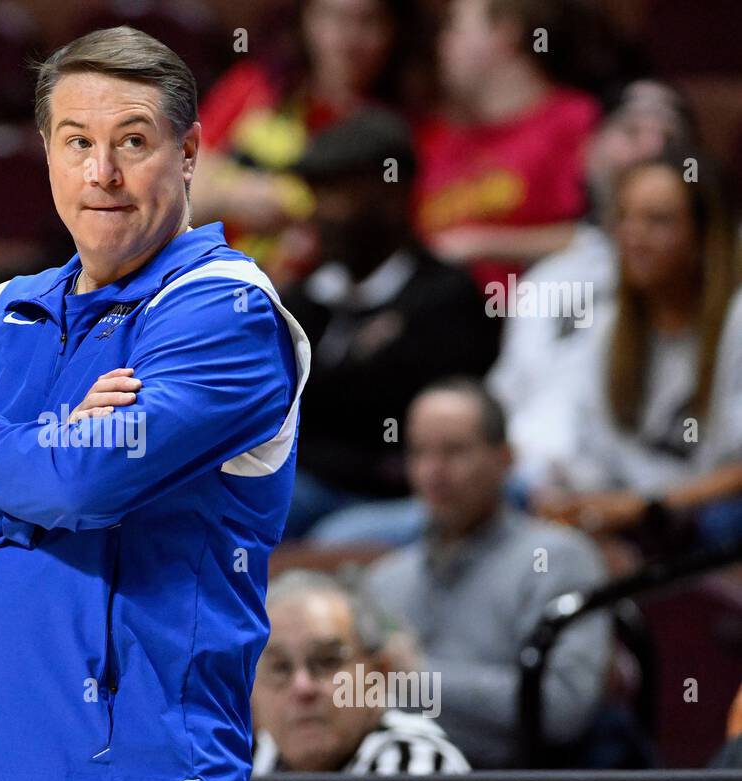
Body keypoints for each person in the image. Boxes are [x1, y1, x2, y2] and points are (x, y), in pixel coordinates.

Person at [0, 27, 311, 781]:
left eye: (132, 142)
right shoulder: (2, 311)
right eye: (77, 143)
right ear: (46, 154)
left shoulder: (225, 310)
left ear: (188, 154)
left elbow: (87, 486)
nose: (100, 174)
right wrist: (50, 439)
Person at [362, 379, 611, 768]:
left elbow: (564, 710)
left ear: (505, 458)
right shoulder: (386, 579)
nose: (433, 472)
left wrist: (418, 677)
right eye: (419, 452)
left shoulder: (558, 558)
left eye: (454, 451)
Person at [276, 108, 497, 542]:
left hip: (396, 498)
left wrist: (332, 386)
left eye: (339, 194)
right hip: (302, 486)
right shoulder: (301, 299)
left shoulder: (445, 298)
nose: (321, 214)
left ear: (393, 196)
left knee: (322, 532)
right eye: (316, 194)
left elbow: (399, 420)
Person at [488, 80, 696, 492]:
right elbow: (506, 394)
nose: (651, 149)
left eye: (669, 138)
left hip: (639, 492)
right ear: (589, 151)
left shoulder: (712, 282)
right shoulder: (550, 277)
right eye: (632, 132)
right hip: (516, 480)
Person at [533, 153, 742, 548]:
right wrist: (571, 501)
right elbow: (592, 455)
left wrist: (643, 506)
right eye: (624, 218)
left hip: (704, 517)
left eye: (658, 221)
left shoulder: (736, 321)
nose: (634, 236)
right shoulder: (607, 328)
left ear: (704, 236)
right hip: (629, 513)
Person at [191, 0, 426, 281]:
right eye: (335, 17)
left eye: (368, 21)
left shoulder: (408, 122)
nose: (349, 39)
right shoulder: (256, 88)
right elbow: (179, 184)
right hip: (215, 278)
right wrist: (236, 197)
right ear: (306, 19)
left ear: (394, 30)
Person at [414, 0, 601, 288]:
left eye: (455, 28)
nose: (442, 44)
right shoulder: (432, 141)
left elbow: (601, 239)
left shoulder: (575, 123)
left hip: (544, 314)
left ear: (505, 33)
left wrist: (480, 245)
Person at [251, 569, 469, 774]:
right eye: (280, 668)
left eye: (327, 662)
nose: (302, 687)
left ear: (379, 675)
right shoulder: (246, 760)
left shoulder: (415, 760)